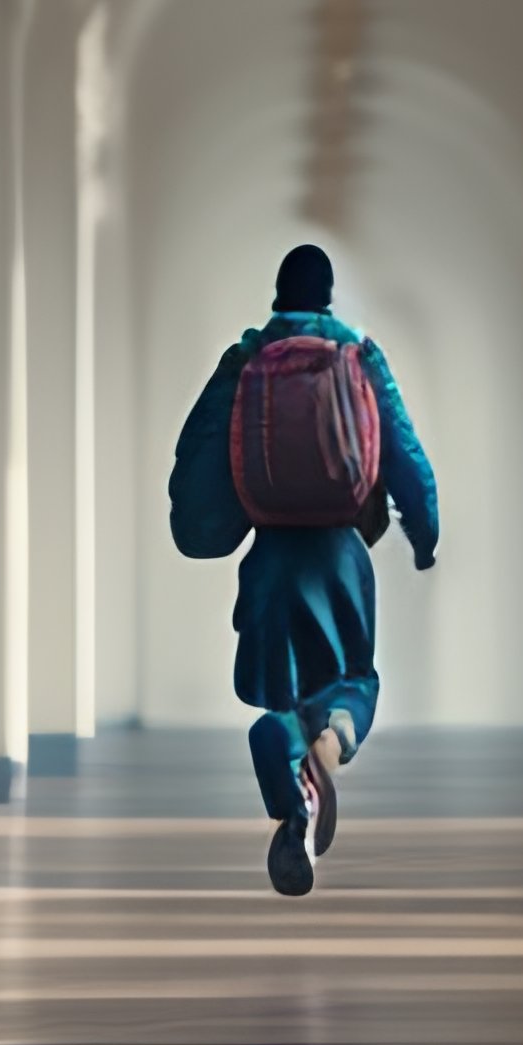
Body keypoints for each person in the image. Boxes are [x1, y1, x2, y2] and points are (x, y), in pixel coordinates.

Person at [169, 243, 437, 896]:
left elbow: (199, 447)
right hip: (340, 557)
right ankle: (334, 741)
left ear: (279, 295)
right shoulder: (357, 356)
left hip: (270, 560)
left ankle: (288, 752)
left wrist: (201, 528)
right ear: (327, 295)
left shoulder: (246, 359)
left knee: (282, 694)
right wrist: (423, 534)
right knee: (353, 678)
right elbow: (403, 451)